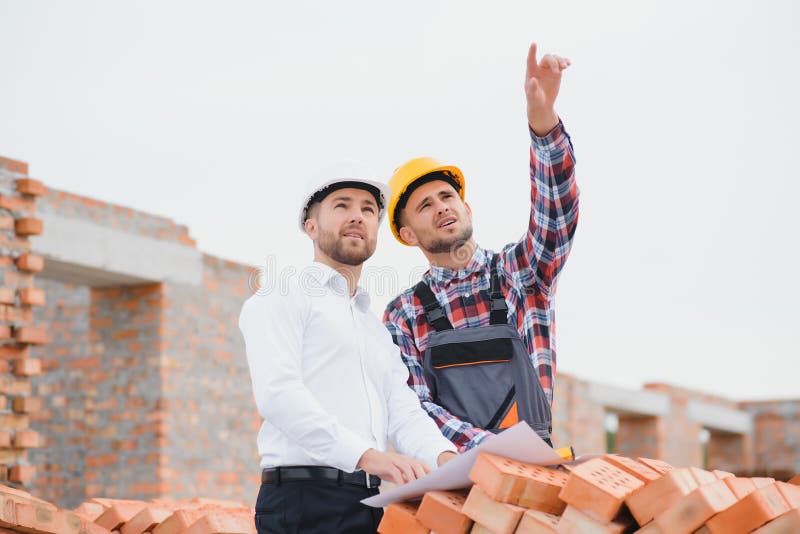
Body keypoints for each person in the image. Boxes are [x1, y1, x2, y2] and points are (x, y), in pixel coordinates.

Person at [239, 164, 457, 534]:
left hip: (368, 504)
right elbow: (279, 395)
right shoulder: (282, 294)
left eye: (368, 210)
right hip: (303, 503)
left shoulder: (374, 327)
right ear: (310, 226)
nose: (358, 216)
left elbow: (403, 412)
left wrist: (447, 460)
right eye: (342, 205)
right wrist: (370, 457)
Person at [383, 42, 579, 452]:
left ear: (466, 207)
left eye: (447, 197)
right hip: (456, 484)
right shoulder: (403, 315)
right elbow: (412, 408)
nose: (441, 207)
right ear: (408, 234)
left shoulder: (521, 274)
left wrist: (543, 123)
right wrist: (491, 453)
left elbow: (555, 211)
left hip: (537, 469)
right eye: (425, 205)